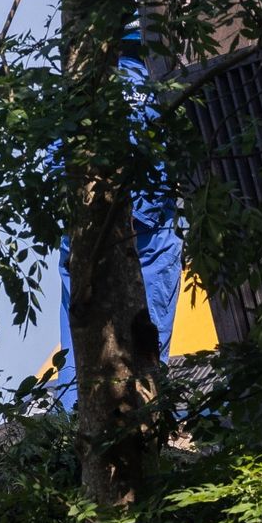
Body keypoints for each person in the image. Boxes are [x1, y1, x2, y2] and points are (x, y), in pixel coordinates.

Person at [54, 28, 181, 411]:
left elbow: (55, 162)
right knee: (148, 323)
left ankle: (72, 412)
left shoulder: (77, 90)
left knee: (79, 317)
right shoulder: (162, 89)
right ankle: (141, 408)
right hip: (147, 230)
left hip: (82, 226)